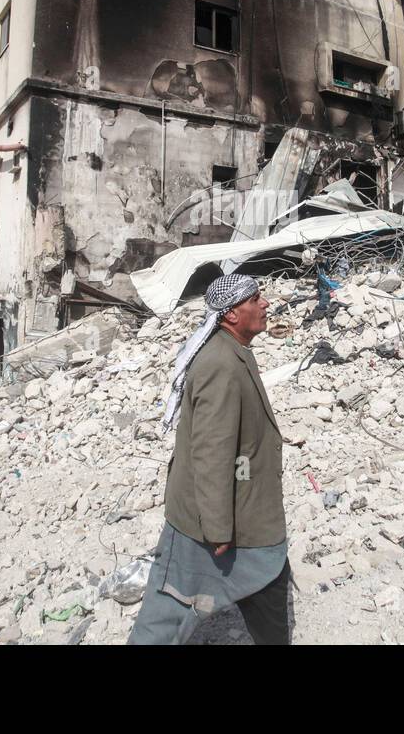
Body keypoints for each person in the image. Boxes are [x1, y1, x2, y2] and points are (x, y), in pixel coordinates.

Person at [129, 273, 291, 645]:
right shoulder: (221, 363)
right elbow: (212, 451)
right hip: (207, 523)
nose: (265, 304)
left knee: (266, 584)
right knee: (167, 612)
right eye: (255, 300)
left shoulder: (231, 351)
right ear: (233, 314)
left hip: (241, 515)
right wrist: (217, 527)